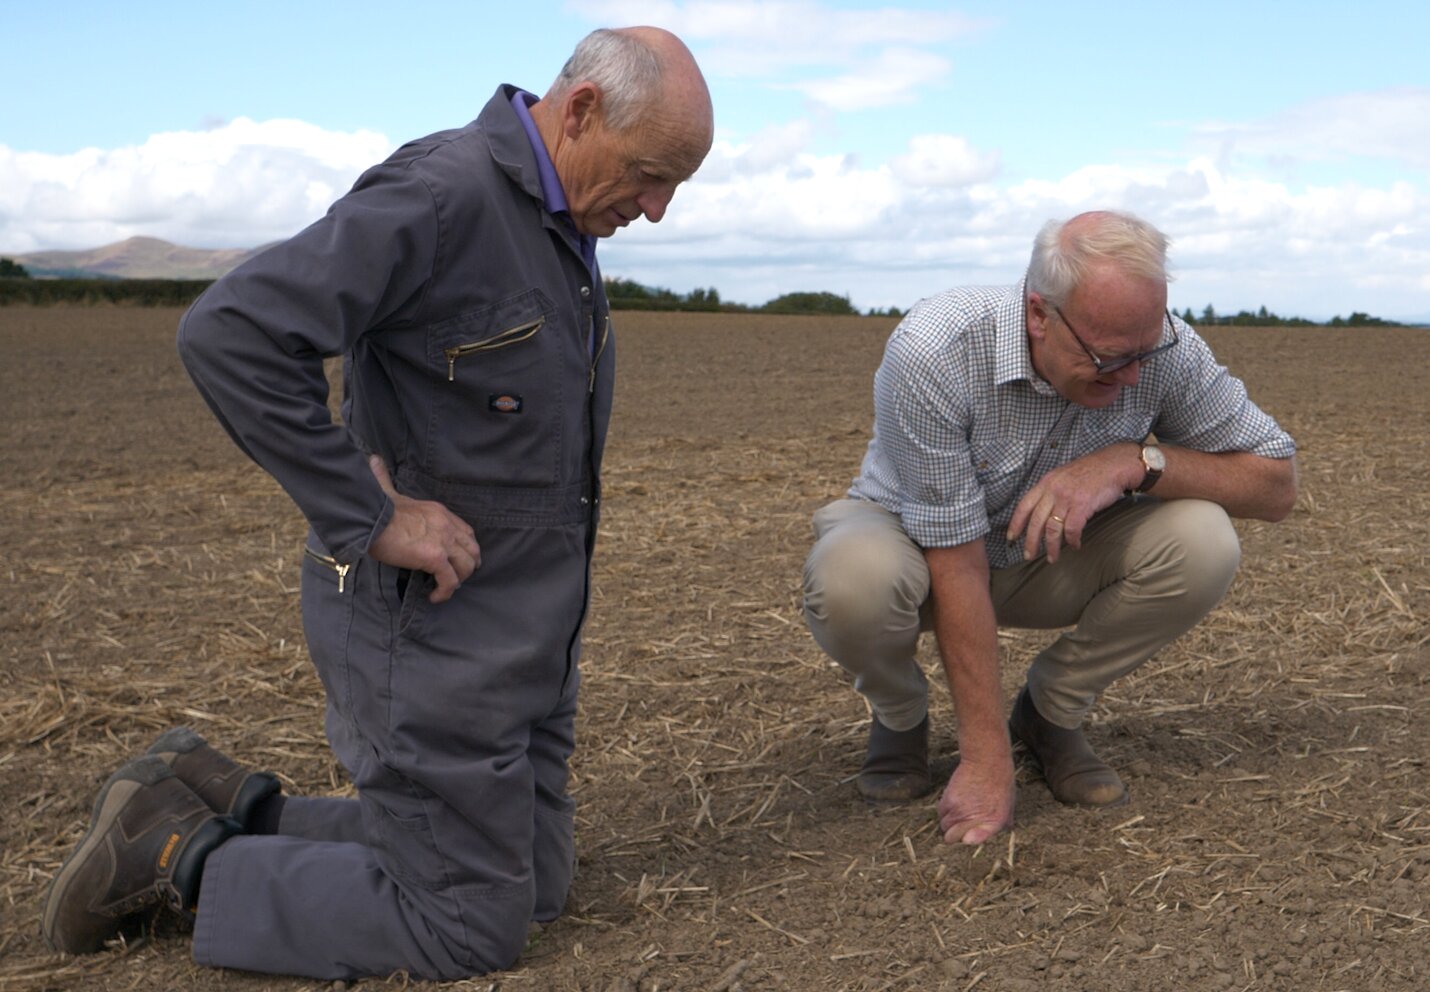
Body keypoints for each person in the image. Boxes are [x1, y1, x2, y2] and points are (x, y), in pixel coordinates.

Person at [42, 27, 713, 981]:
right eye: (651, 175)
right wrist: (370, 508)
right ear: (580, 112)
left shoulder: (565, 219)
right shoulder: (443, 198)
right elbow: (230, 331)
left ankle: (225, 802)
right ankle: (171, 859)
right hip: (431, 645)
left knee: (535, 889)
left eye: (675, 185)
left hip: (526, 647)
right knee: (469, 930)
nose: (657, 209)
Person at [802, 210, 1297, 846]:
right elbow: (956, 561)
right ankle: (900, 716)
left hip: (1047, 554)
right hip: (920, 554)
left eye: (1148, 351)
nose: (1136, 378)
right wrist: (984, 762)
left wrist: (1133, 461)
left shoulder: (1162, 348)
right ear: (1040, 314)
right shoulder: (936, 348)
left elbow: (1277, 486)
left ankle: (1048, 713)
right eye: (1109, 357)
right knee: (853, 580)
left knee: (1204, 540)